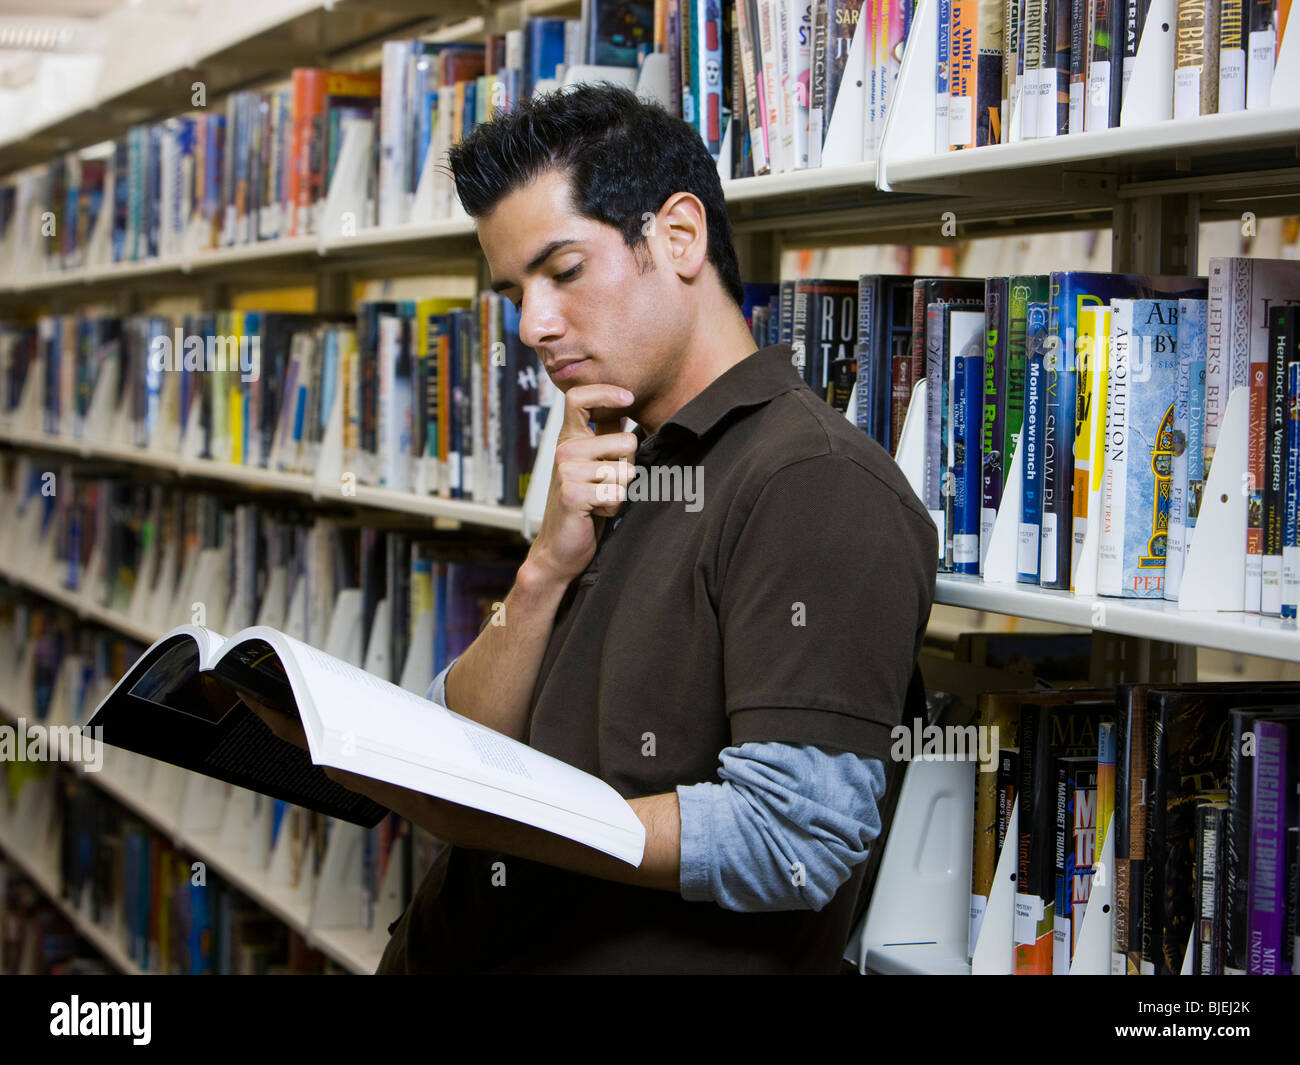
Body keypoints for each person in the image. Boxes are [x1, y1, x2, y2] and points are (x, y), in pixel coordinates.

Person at [310, 82, 937, 973]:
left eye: (563, 271)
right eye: (513, 291)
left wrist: (506, 819)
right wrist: (543, 569)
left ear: (679, 236)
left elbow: (795, 834)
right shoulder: (609, 454)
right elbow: (471, 737)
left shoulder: (812, 482)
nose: (532, 325)